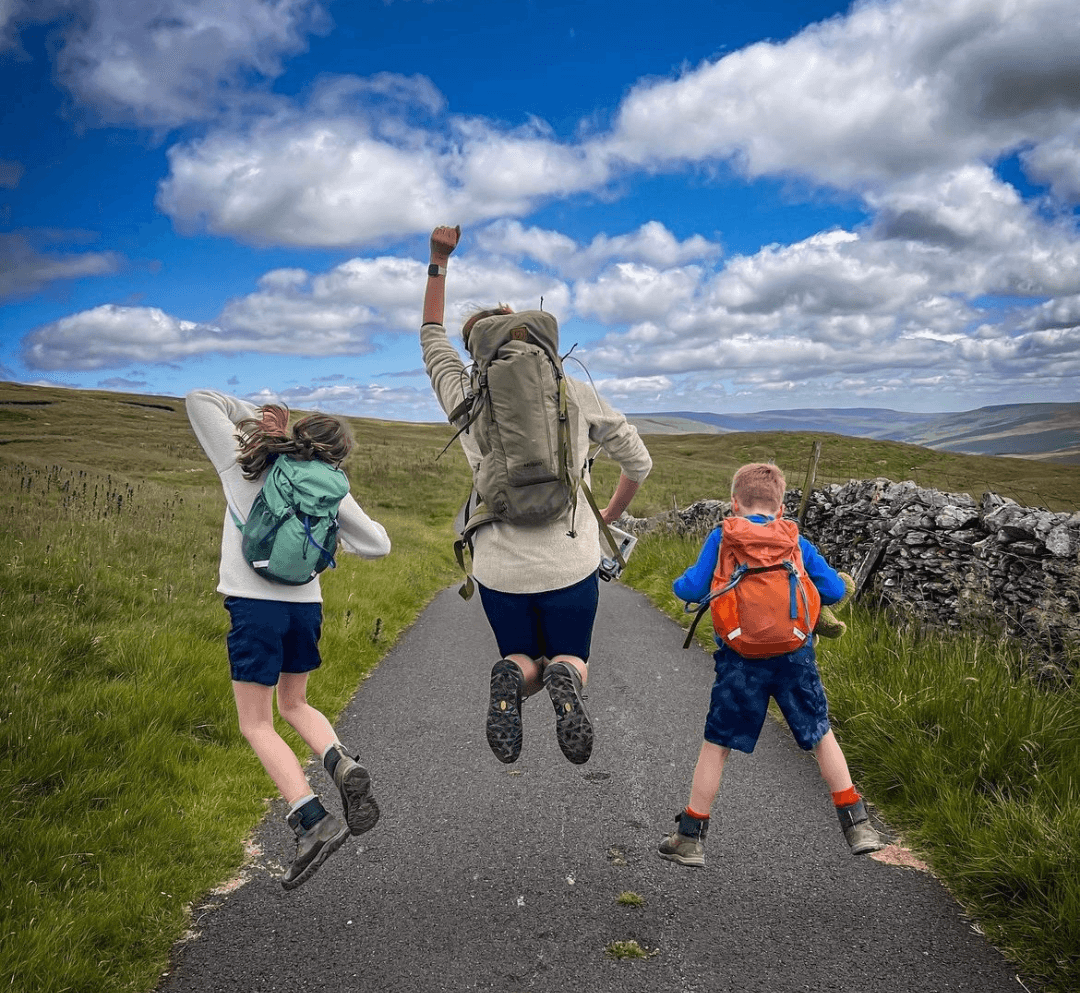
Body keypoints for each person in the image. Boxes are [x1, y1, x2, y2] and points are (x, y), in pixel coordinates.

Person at [420, 225, 652, 766]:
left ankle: (511, 678)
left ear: (478, 348)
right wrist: (604, 523)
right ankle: (566, 677)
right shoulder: (573, 391)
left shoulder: (464, 394)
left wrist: (438, 260)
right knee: (570, 656)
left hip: (498, 567)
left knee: (521, 658)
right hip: (571, 562)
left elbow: (431, 335)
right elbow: (639, 462)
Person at [186, 389, 391, 890]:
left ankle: (311, 821)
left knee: (256, 724)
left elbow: (198, 400)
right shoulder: (331, 485)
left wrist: (262, 422)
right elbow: (378, 544)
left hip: (252, 607)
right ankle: (340, 763)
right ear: (338, 455)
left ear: (296, 433)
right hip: (305, 606)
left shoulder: (245, 462)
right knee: (295, 703)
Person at [659, 461, 884, 867]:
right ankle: (858, 824)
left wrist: (679, 584)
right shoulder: (794, 538)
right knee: (820, 733)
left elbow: (691, 587)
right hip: (795, 655)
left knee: (717, 744)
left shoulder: (723, 536)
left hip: (739, 660)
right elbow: (832, 590)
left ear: (735, 502)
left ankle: (690, 837)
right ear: (780, 506)